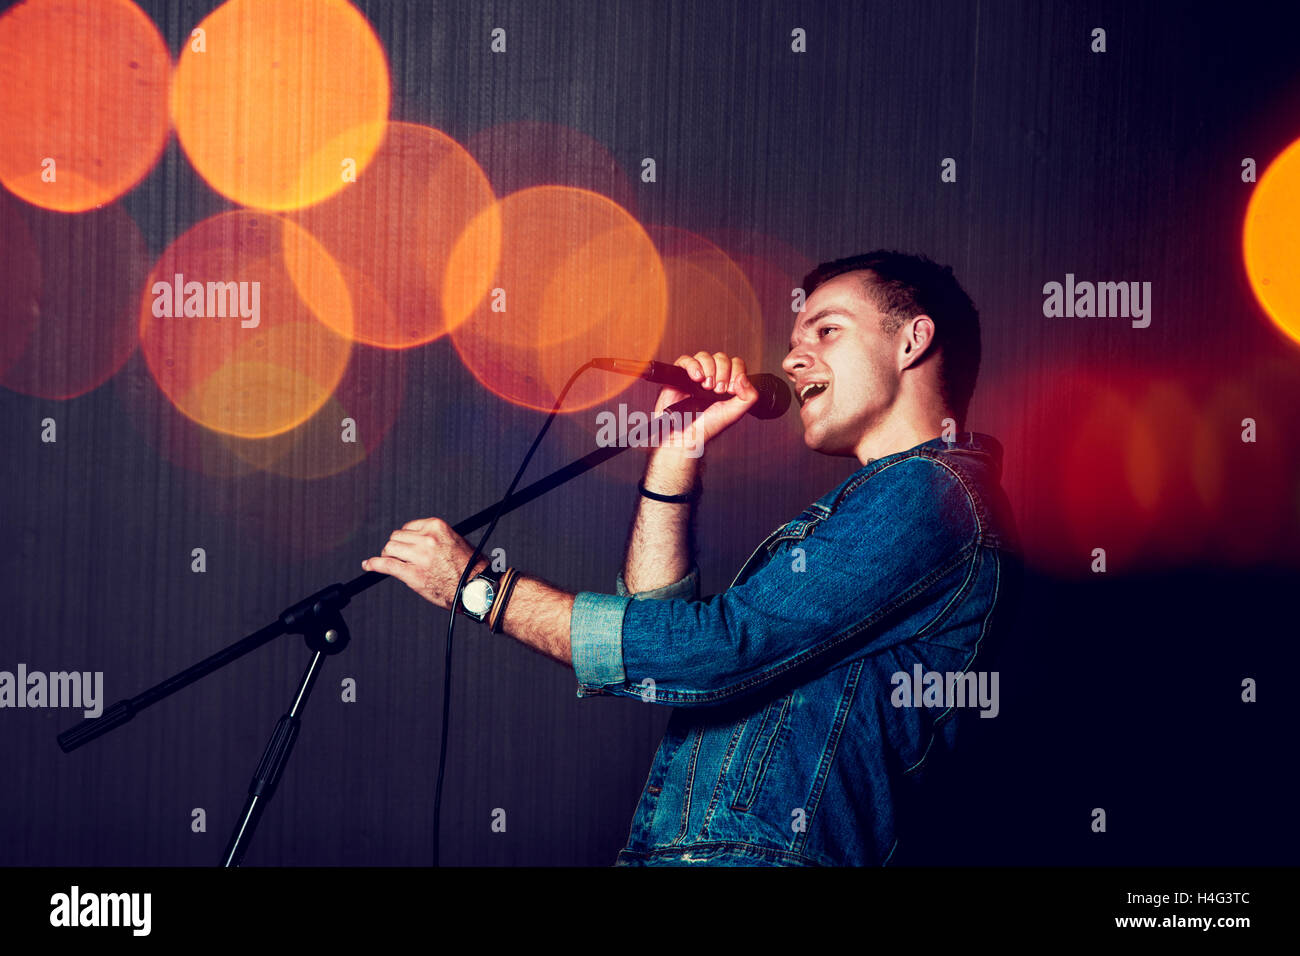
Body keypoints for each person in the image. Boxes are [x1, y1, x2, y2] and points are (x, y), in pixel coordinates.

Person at [363, 250, 1022, 866]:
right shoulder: (887, 501)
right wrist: (677, 453)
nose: (793, 361)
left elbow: (715, 652)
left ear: (913, 340)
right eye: (794, 342)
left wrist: (482, 590)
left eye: (825, 332)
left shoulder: (930, 493)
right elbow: (660, 632)